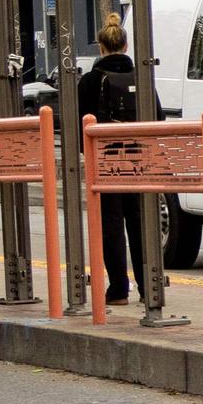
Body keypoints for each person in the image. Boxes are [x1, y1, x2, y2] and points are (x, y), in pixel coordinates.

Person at [79, 15, 143, 306]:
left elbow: (79, 123)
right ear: (126, 45)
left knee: (112, 223)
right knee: (140, 222)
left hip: (105, 161)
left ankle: (118, 289)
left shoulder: (90, 81)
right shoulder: (142, 77)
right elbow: (158, 117)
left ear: (101, 47)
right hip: (140, 161)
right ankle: (149, 287)